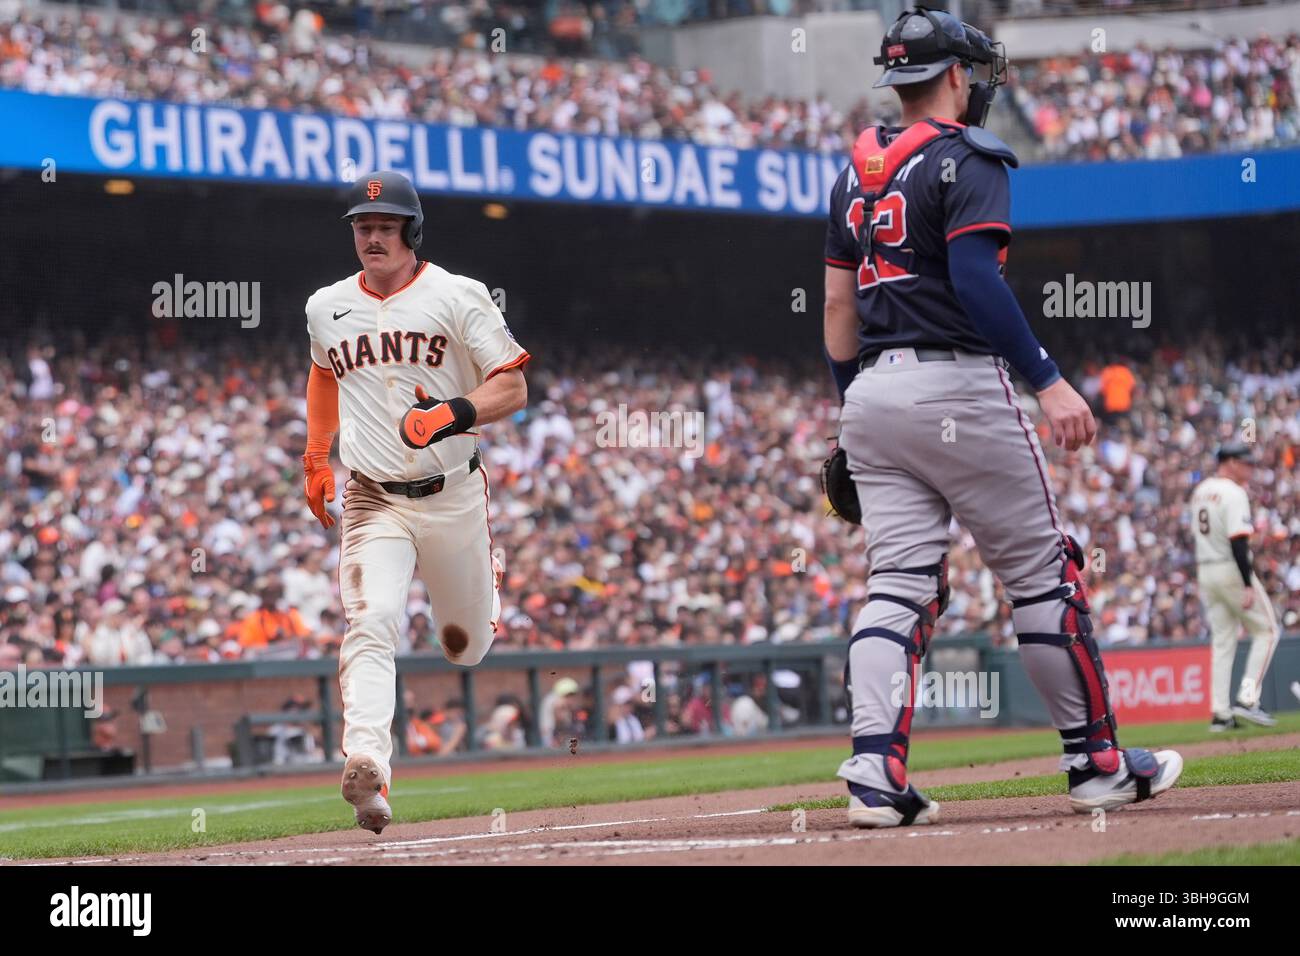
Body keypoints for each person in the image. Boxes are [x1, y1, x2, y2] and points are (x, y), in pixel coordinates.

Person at [821, 8, 1183, 828]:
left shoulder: (853, 172)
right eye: (973, 74)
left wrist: (852, 406)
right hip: (960, 386)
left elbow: (839, 308)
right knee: (1041, 574)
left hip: (872, 393)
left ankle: (875, 772)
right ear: (954, 76)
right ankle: (1095, 764)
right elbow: (979, 282)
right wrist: (1049, 379)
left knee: (897, 587)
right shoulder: (968, 157)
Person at [302, 170, 530, 833]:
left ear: (412, 230)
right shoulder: (326, 305)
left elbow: (512, 387)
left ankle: (485, 589)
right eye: (362, 226)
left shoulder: (458, 296)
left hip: (454, 491)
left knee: (466, 647)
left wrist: (451, 414)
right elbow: (322, 375)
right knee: (371, 621)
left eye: (385, 225)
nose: (371, 237)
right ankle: (368, 765)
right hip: (373, 497)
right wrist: (317, 457)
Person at [1190, 443, 1280, 730]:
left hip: (1206, 569)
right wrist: (1247, 583)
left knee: (1223, 641)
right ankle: (1248, 698)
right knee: (1267, 630)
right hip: (1230, 568)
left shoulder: (1200, 490)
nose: (1249, 468)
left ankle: (1221, 713)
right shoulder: (1233, 492)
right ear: (1228, 462)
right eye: (1244, 462)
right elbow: (1239, 542)